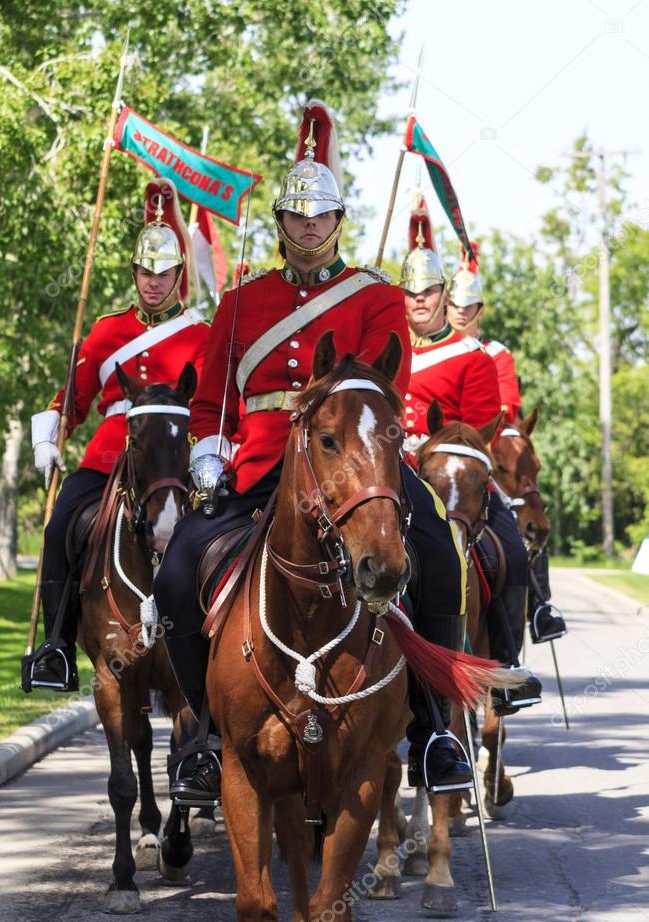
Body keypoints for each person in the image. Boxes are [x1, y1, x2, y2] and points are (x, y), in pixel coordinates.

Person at [153, 100, 472, 804]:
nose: (307, 227)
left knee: (441, 559)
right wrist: (208, 449)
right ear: (280, 226)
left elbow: (386, 392)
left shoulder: (379, 297)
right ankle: (206, 734)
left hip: (353, 463)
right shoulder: (240, 304)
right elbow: (211, 400)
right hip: (261, 465)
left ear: (337, 223)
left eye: (319, 217)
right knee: (176, 575)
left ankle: (430, 732)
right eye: (295, 217)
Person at [22, 179, 209, 692]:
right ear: (134, 273)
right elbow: (73, 400)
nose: (153, 282)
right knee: (60, 524)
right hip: (110, 453)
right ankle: (57, 645)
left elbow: (212, 404)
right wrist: (49, 435)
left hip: (177, 457)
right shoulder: (105, 332)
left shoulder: (200, 335)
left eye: (164, 273)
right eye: (145, 273)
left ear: (179, 275)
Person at [399, 200, 542, 715]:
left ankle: (501, 665)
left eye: (429, 292)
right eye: (411, 292)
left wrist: (434, 452)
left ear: (444, 296)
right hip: (389, 472)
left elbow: (481, 430)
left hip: (450, 475)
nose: (419, 300)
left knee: (510, 550)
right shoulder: (386, 348)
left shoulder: (472, 357)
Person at [448, 245, 566, 644]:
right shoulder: (427, 348)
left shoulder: (495, 354)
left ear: (480, 310)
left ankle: (533, 616)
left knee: (515, 540)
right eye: (455, 305)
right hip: (434, 454)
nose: (461, 314)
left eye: (469, 307)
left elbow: (507, 406)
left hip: (486, 447)